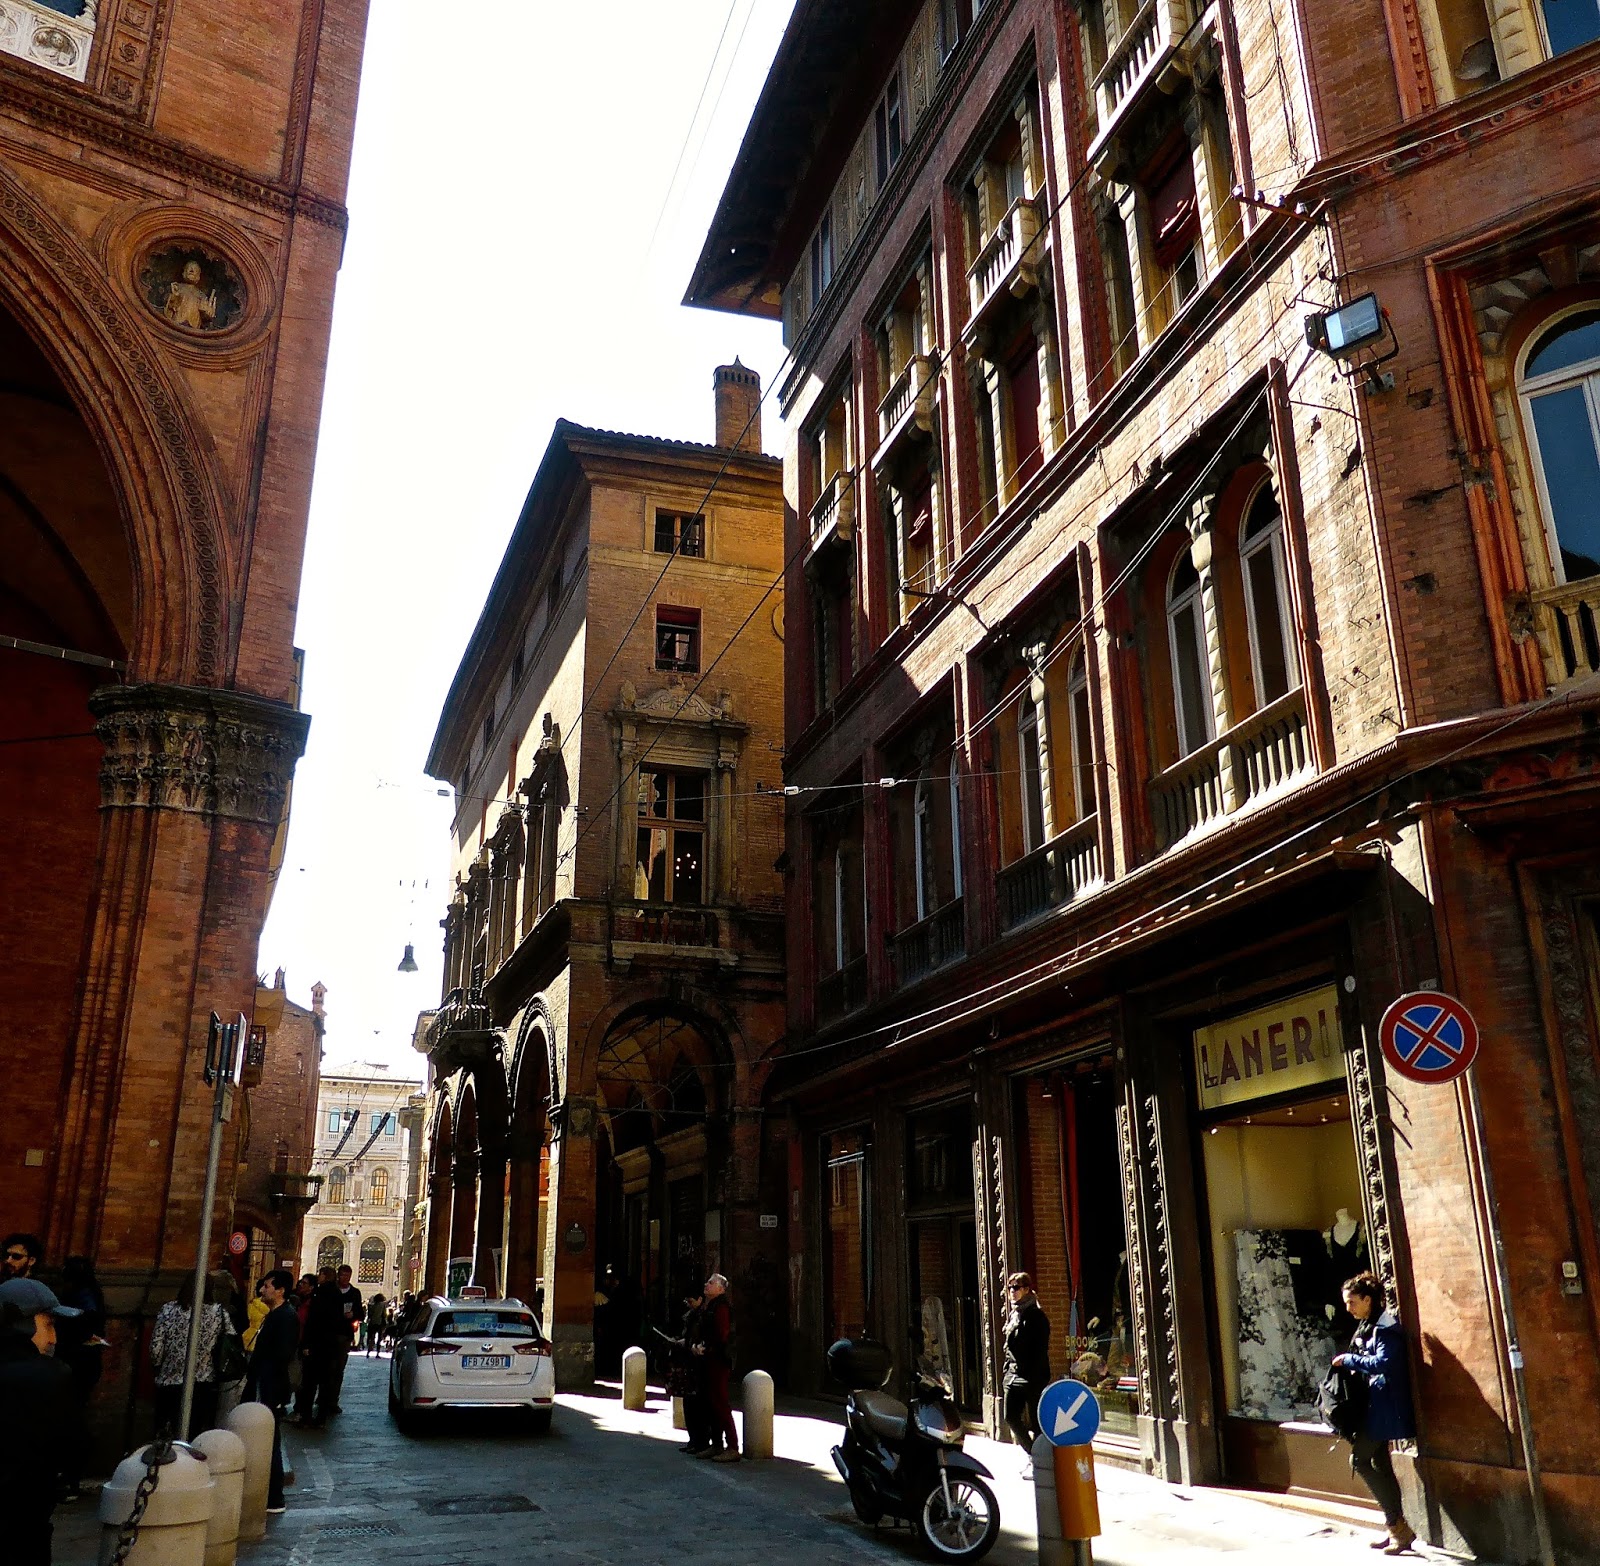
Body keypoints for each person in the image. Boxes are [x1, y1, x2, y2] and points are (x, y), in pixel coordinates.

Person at [1332, 1271, 1417, 1555]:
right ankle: (1396, 1527)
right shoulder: (1369, 1325)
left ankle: (1398, 1527)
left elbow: (1386, 1362)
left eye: (1352, 1302)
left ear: (1368, 1300)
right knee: (1380, 1464)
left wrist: (1350, 1359)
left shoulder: (1385, 1328)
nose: (1349, 1308)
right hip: (1375, 1406)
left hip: (1385, 1408)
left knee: (1359, 1459)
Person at [0, 1276, 83, 1565]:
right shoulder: (51, 1377)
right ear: (21, 1323)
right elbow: (73, 1448)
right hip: (24, 1522)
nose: (53, 1338)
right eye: (48, 1325)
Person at [53, 1256, 107, 1502]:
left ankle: (68, 1477)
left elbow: (84, 1325)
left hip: (74, 1364)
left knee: (68, 1419)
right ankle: (68, 1477)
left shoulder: (81, 1300)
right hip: (82, 1364)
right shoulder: (92, 1295)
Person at [245, 1270, 299, 1516]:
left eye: (267, 1286)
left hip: (272, 1388)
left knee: (271, 1442)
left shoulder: (285, 1317)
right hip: (268, 1385)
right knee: (268, 1439)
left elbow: (282, 1355)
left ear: (280, 1290)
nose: (262, 1290)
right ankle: (270, 1495)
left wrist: (262, 1371)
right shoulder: (276, 1314)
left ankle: (275, 1497)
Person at [1002, 1271, 1052, 1468]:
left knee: (1036, 1422)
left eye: (1016, 1288)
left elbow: (1040, 1349)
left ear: (1026, 1289)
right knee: (1010, 1417)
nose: (1012, 1292)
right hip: (1013, 1375)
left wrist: (1035, 1377)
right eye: (1010, 1288)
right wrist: (1007, 1372)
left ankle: (1041, 1461)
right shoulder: (1014, 1314)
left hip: (1032, 1376)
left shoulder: (1036, 1316)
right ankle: (1033, 1453)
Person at [692, 1273, 739, 1463]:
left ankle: (733, 1446)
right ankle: (717, 1444)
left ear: (721, 1288)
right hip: (709, 1360)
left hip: (718, 1361)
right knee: (711, 1403)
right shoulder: (710, 1306)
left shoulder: (721, 1307)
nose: (706, 1284)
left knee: (720, 1403)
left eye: (710, 1283)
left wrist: (706, 1348)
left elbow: (722, 1335)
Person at [295, 1267, 346, 1426]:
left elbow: (314, 1321)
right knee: (326, 1382)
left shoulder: (319, 1294)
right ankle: (322, 1416)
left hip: (316, 1344)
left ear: (324, 1276)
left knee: (309, 1382)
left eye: (320, 1274)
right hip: (331, 1344)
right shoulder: (337, 1294)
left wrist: (307, 1343)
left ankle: (306, 1415)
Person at [328, 1265, 363, 1410]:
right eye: (342, 1275)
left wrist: (353, 1315)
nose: (344, 1278)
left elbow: (360, 1313)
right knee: (327, 1368)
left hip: (344, 1335)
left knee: (338, 1369)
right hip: (329, 1334)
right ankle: (324, 1398)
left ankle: (333, 1400)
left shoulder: (354, 1293)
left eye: (347, 1276)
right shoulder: (331, 1291)